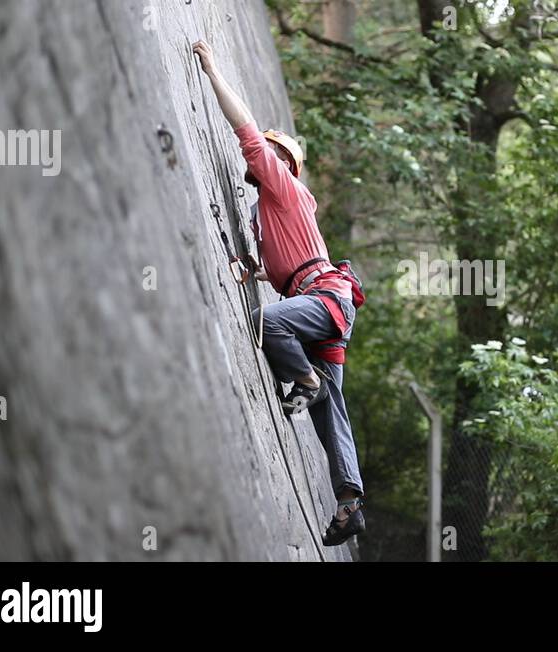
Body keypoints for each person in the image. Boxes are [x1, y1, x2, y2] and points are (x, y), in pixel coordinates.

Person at [193, 39, 364, 546]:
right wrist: (255, 268)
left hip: (324, 299)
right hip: (320, 300)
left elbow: (244, 129)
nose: (261, 157)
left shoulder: (284, 188)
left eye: (271, 153)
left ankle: (305, 377)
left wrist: (212, 69)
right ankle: (349, 504)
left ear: (282, 161)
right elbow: (289, 267)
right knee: (330, 410)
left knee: (268, 323)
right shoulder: (271, 213)